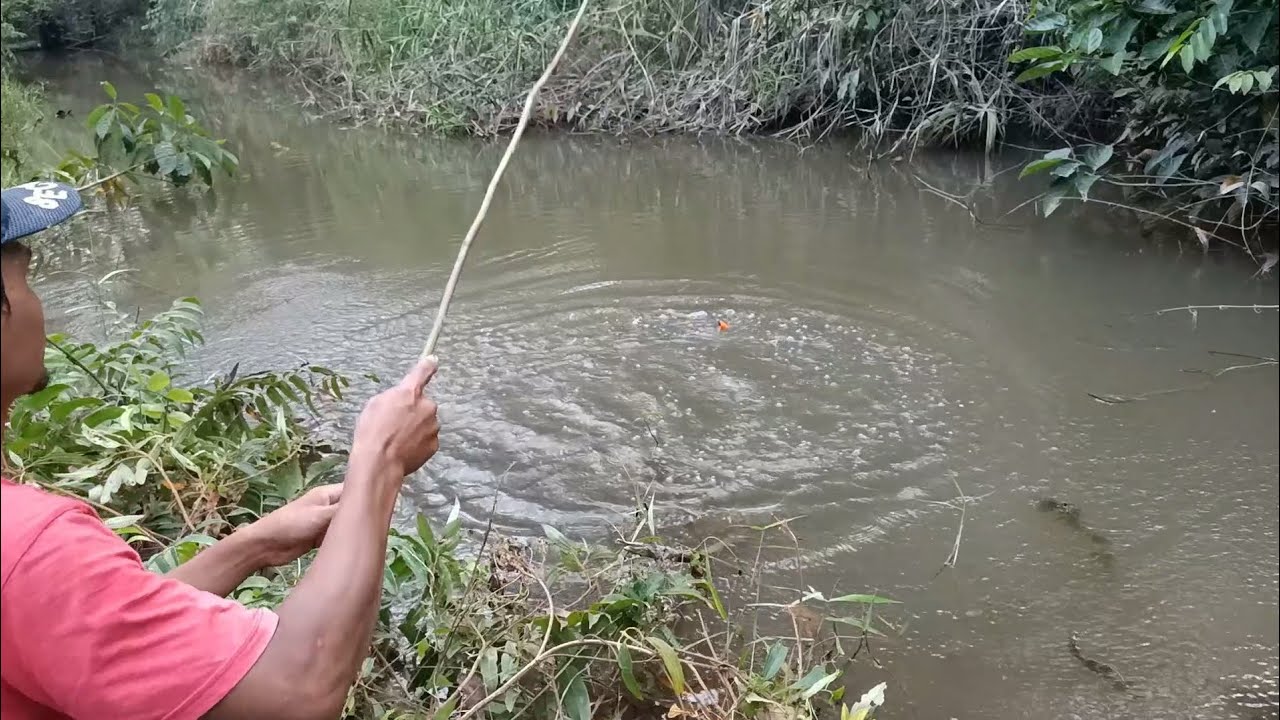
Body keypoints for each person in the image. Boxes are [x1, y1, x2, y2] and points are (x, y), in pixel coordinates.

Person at [1, 180, 442, 720]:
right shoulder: (27, 547)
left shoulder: (22, 558)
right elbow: (296, 692)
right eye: (24, 277)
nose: (38, 303)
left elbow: (96, 629)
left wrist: (251, 546)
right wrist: (382, 459)